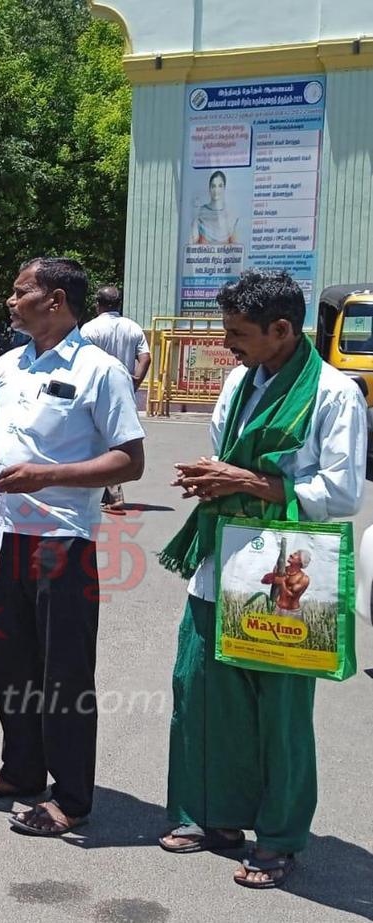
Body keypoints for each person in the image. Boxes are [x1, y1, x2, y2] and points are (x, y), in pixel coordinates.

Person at [159, 269, 365, 890]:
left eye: (238, 333)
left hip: (290, 569)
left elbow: (342, 491)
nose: (227, 343)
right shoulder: (238, 382)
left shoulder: (334, 393)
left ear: (282, 329)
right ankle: (210, 817)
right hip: (222, 555)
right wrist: (211, 478)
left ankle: (278, 837)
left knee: (280, 711)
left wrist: (245, 482)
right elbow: (226, 455)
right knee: (200, 692)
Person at [0, 256, 145, 837]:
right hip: (3, 539)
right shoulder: (6, 366)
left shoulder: (101, 371)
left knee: (65, 675)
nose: (10, 300)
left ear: (55, 300)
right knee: (11, 667)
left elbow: (129, 460)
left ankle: (72, 798)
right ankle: (20, 771)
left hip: (61, 542)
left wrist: (48, 476)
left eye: (19, 290)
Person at [80, 285, 152, 513]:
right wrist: (135, 382)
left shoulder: (90, 329)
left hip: (95, 390)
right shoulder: (132, 327)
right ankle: (105, 493)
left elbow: (82, 361)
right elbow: (146, 357)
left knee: (100, 442)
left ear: (97, 304)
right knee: (118, 441)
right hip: (123, 392)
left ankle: (114, 496)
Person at [191, 170, 242, 245]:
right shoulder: (200, 213)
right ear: (209, 188)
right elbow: (192, 244)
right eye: (213, 186)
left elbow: (237, 248)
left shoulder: (232, 215)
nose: (216, 190)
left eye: (220, 186)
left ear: (224, 188)